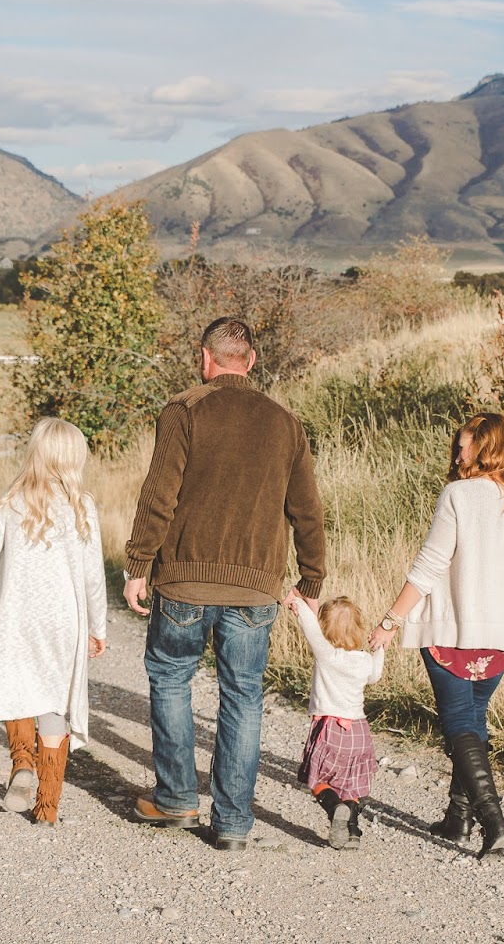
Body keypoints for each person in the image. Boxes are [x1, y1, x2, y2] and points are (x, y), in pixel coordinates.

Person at [123, 317, 327, 851]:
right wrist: (311, 578)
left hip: (185, 581)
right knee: (244, 697)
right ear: (251, 361)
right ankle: (233, 824)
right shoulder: (286, 422)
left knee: (171, 679)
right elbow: (306, 509)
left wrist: (138, 565)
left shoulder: (184, 410)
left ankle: (176, 799)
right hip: (256, 587)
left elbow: (159, 495)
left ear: (205, 358)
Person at [369, 412, 504, 859]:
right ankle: (458, 819)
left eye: (465, 445)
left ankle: (494, 821)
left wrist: (389, 622)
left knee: (458, 724)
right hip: (503, 641)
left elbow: (430, 566)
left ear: (486, 448)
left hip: (452, 633)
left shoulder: (457, 495)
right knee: (472, 722)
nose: (458, 453)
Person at [0, 418, 107, 825]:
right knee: (54, 705)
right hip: (64, 624)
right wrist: (98, 627)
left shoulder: (12, 499)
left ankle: (23, 762)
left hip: (15, 619)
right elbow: (94, 577)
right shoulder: (82, 506)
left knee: (15, 689)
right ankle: (48, 807)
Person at [285, 592, 383, 850]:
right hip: (359, 731)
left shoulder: (327, 655)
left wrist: (298, 603)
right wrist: (380, 648)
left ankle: (333, 805)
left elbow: (309, 629)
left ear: (325, 628)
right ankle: (352, 833)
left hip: (330, 728)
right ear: (359, 628)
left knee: (318, 779)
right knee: (350, 784)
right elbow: (375, 675)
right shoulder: (363, 660)